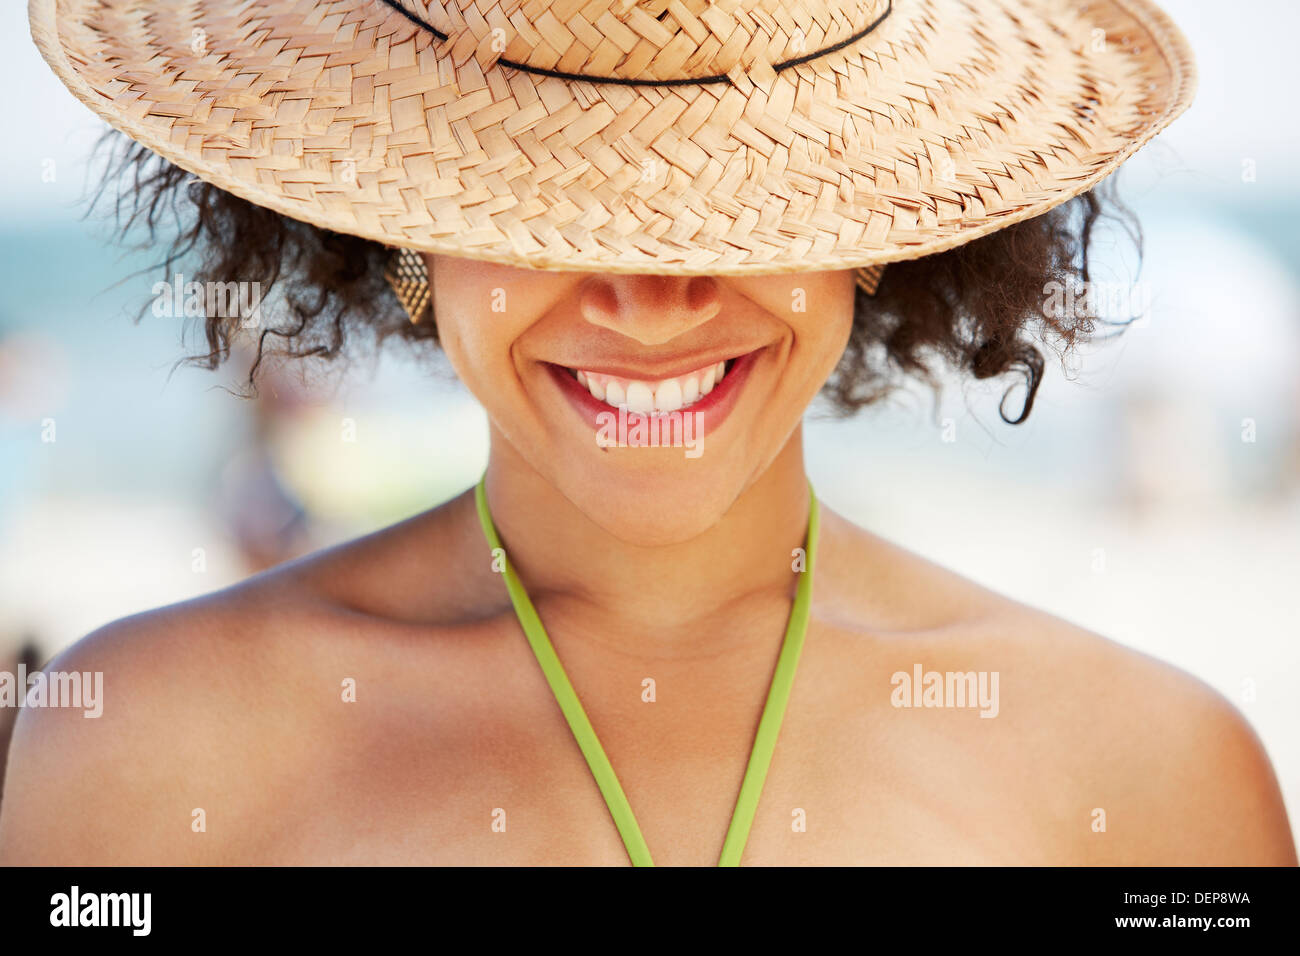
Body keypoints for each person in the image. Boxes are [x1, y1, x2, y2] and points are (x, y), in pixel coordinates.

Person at [3, 0, 1292, 865]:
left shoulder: (1154, 780)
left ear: (882, 236)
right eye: (538, 200)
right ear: (398, 232)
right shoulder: (136, 750)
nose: (651, 299)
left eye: (757, 204)